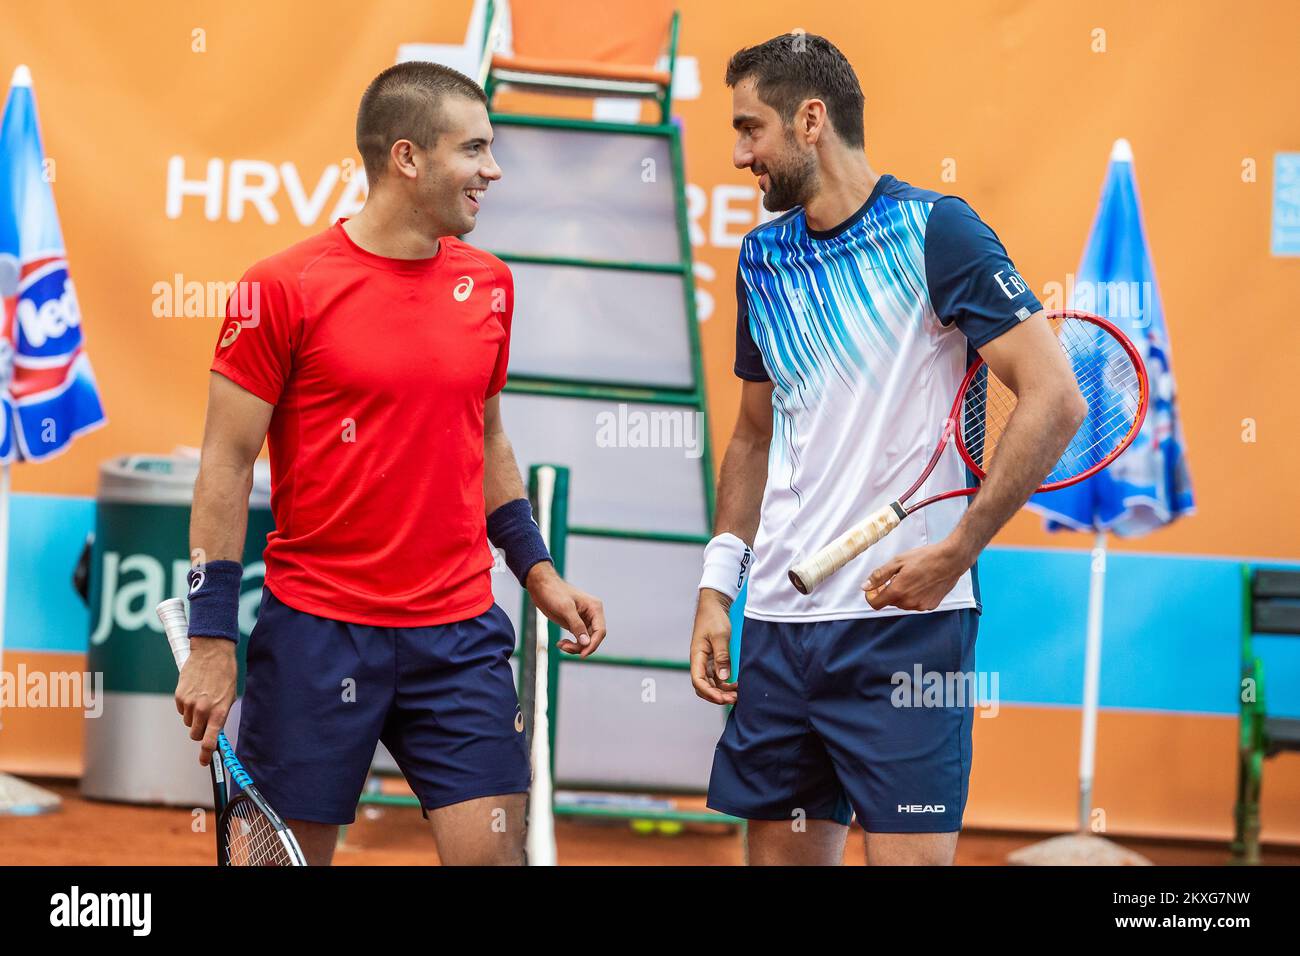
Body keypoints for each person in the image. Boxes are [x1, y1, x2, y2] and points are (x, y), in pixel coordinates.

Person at [178, 61, 606, 866]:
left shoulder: (490, 286)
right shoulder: (280, 288)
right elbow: (226, 468)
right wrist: (210, 640)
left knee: (491, 858)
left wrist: (537, 570)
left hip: (458, 634)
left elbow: (488, 440)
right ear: (407, 158)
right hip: (316, 635)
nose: (493, 169)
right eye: (474, 149)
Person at [691, 33, 1086, 865]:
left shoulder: (939, 232)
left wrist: (958, 550)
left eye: (749, 128)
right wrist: (716, 588)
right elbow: (753, 437)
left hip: (903, 625)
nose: (738, 155)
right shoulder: (762, 257)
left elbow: (1055, 399)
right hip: (777, 623)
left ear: (810, 120)